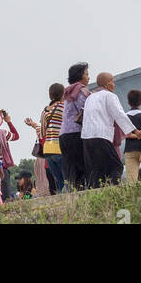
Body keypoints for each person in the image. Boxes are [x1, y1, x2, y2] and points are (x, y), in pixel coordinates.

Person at [82, 72, 141, 187]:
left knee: (96, 168)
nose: (114, 84)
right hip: (101, 135)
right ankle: (114, 192)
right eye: (112, 81)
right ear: (107, 85)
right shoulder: (110, 96)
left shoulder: (90, 97)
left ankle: (96, 193)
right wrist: (137, 132)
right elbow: (120, 115)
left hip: (86, 137)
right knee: (116, 166)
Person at [25, 84, 67, 194]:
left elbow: (43, 133)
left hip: (48, 150)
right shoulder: (64, 107)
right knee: (68, 180)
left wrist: (34, 125)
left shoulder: (44, 112)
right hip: (60, 147)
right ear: (63, 94)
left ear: (50, 96)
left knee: (59, 181)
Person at [59, 63, 90, 192]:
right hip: (76, 133)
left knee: (70, 169)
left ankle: (71, 194)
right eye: (87, 74)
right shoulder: (81, 91)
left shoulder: (67, 92)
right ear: (80, 76)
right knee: (83, 167)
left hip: (64, 135)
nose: (88, 77)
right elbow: (87, 112)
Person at [122, 89, 141, 183]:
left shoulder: (125, 116)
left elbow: (126, 134)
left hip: (130, 150)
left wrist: (137, 135)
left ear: (128, 103)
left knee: (131, 181)